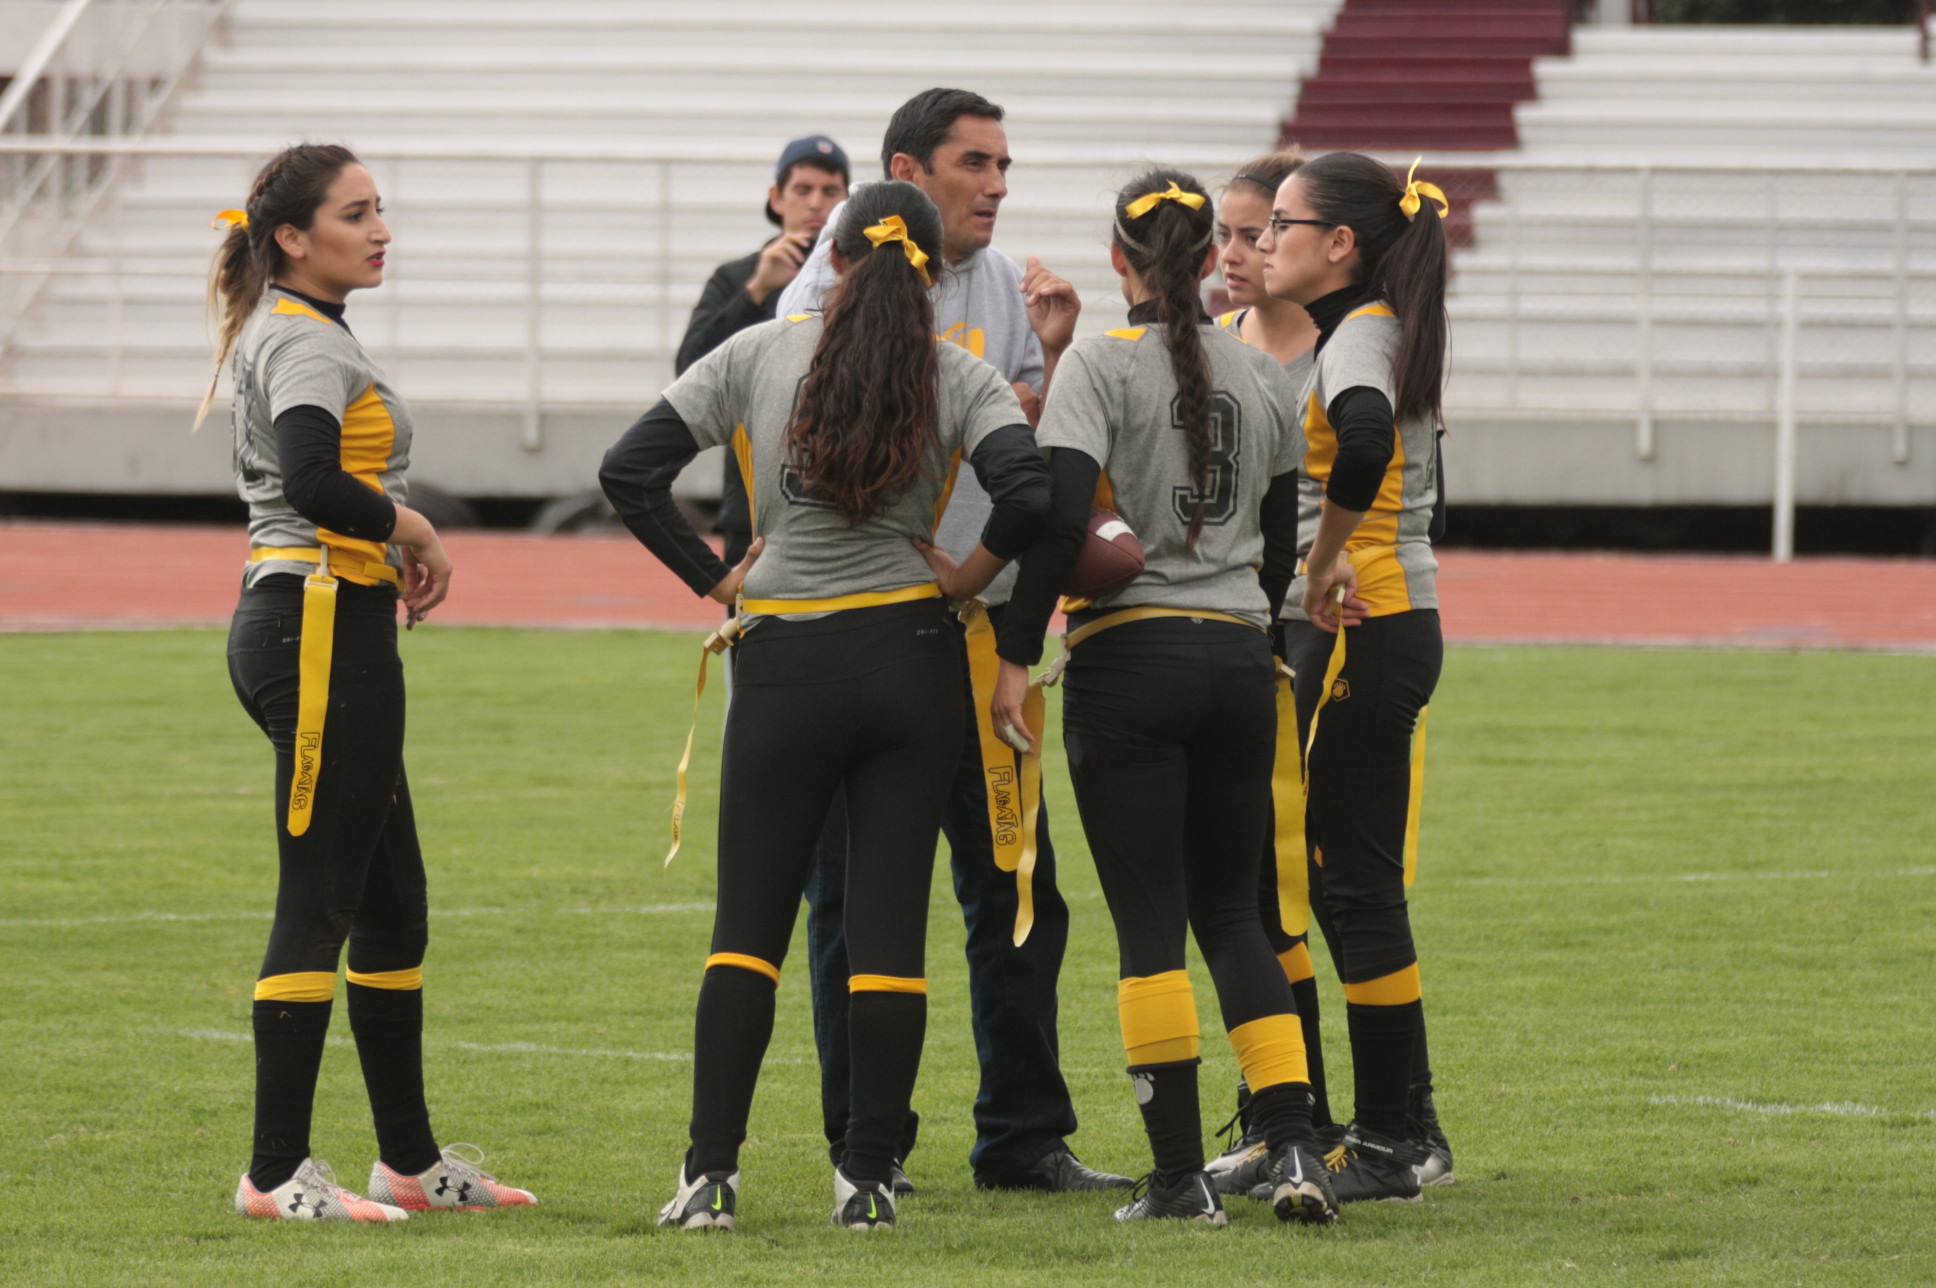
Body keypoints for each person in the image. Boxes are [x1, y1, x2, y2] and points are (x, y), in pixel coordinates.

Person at [598, 181, 1052, 1231]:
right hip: (910, 659)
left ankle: (710, 1174)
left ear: (833, 260)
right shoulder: (958, 368)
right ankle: (867, 1177)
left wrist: (715, 580)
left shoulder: (760, 351)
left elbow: (630, 471)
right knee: (890, 931)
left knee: (746, 931)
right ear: (936, 278)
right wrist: (963, 574)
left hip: (787, 663)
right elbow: (1031, 495)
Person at [775, 88, 1125, 1194]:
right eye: (975, 163)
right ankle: (858, 1142)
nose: (997, 185)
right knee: (849, 902)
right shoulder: (824, 279)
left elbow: (1016, 437)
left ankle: (1021, 1135)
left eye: (1006, 164)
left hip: (978, 635)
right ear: (906, 173)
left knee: (1017, 888)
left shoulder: (1008, 285)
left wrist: (1053, 362)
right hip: (860, 631)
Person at [986, 168, 1338, 1226]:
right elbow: (1279, 540)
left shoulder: (1098, 359)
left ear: (1118, 260)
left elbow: (1056, 523)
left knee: (1149, 931)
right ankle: (1296, 1151)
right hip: (1237, 655)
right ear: (1205, 259)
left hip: (1128, 659)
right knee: (1235, 916)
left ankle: (1180, 1176)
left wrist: (1012, 650)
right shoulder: (1264, 369)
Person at [209, 143, 535, 1222]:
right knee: (323, 897)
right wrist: (413, 523)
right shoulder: (304, 340)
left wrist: (391, 543)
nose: (381, 227)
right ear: (293, 239)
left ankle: (407, 1158)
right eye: (357, 212)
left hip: (333, 624)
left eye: (380, 207)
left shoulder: (312, 330)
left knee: (395, 906)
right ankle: (272, 1171)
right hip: (312, 626)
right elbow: (309, 480)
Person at [1254, 150, 1454, 1202]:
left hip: (1364, 623)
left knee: (1352, 881)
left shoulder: (1362, 330)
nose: (1261, 240)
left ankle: (1391, 1137)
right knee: (1323, 875)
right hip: (1370, 624)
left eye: (1279, 222)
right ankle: (1371, 1123)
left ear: (1339, 244)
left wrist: (1326, 558)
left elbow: (1368, 437)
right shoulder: (1362, 328)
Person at [1199, 147, 1342, 1195]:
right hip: (1230, 633)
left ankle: (1379, 1118)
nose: (1237, 252)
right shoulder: (1204, 349)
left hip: (1311, 630)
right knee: (1247, 881)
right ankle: (1286, 1113)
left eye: (1256, 232)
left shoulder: (1347, 354)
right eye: (1226, 233)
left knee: (1319, 879)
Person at [676, 135, 850, 567]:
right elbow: (689, 371)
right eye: (802, 189)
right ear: (776, 198)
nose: (816, 204)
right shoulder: (736, 277)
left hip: (846, 497)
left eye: (830, 192)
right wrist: (757, 290)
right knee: (747, 630)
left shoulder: (864, 278)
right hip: (751, 503)